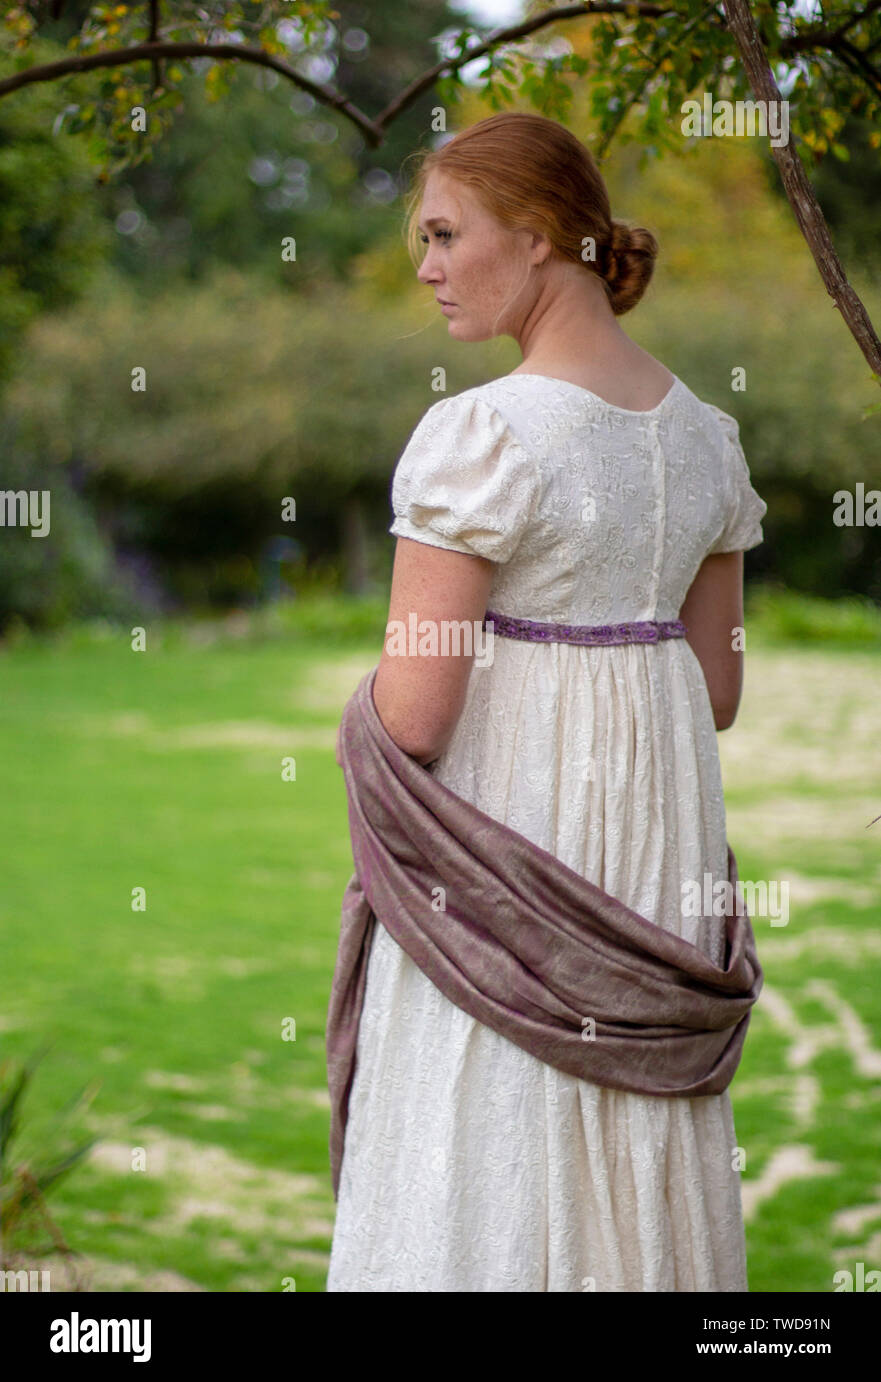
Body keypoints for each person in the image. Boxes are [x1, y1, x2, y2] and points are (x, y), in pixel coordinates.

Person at [326, 111, 767, 1292]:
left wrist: (354, 713)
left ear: (535, 237)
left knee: (492, 1110)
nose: (423, 266)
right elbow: (714, 688)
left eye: (440, 234)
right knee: (623, 1136)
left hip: (509, 854)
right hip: (650, 857)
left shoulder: (481, 434)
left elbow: (415, 714)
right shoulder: (706, 440)